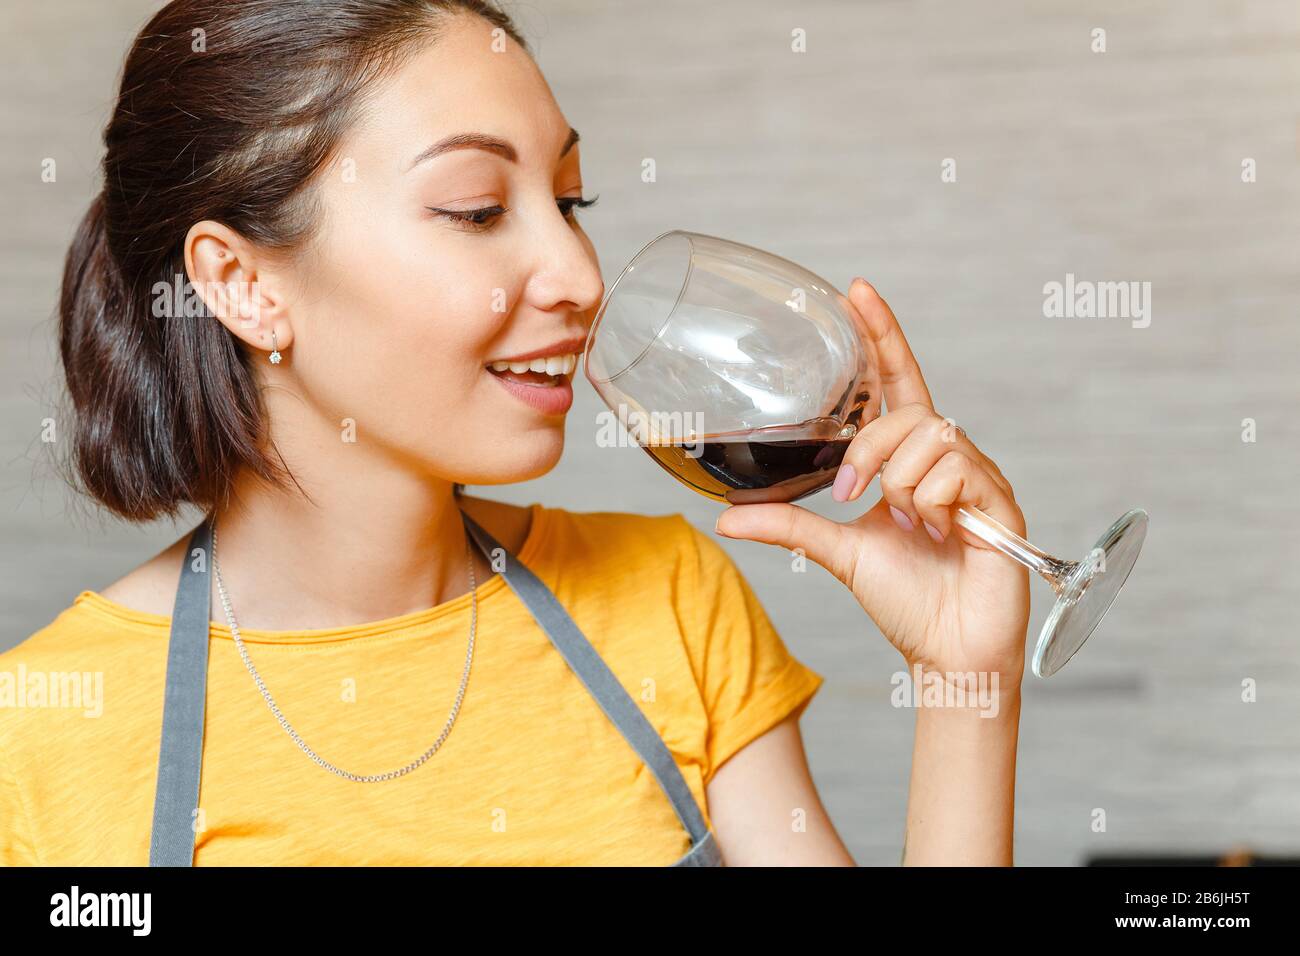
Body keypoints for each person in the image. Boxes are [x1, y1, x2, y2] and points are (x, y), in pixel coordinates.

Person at [0, 0, 1028, 866]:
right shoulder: (41, 730)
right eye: (477, 208)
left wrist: (964, 681)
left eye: (569, 198)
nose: (581, 277)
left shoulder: (671, 600)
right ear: (243, 283)